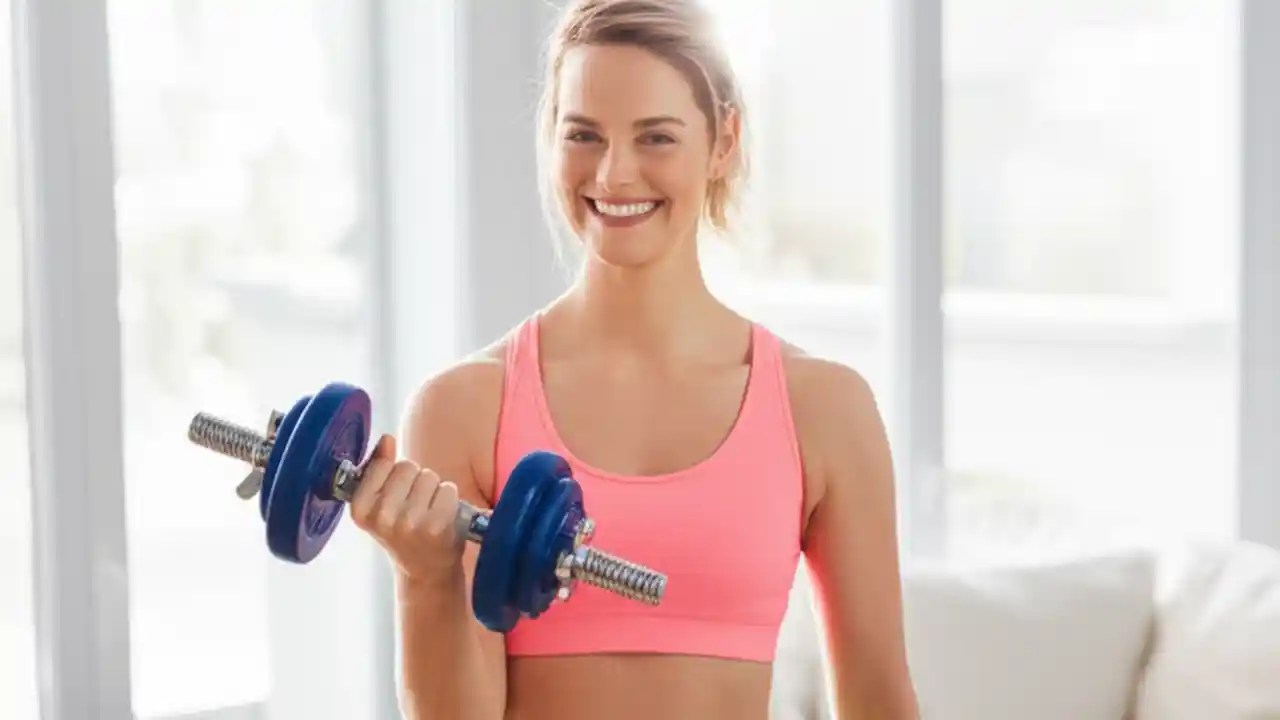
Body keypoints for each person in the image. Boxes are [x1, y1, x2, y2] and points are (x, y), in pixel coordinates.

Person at [351, 0, 920, 717]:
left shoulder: (824, 410)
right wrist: (424, 577)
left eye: (656, 138)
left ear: (723, 142)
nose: (615, 175)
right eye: (583, 135)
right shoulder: (466, 407)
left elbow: (880, 700)